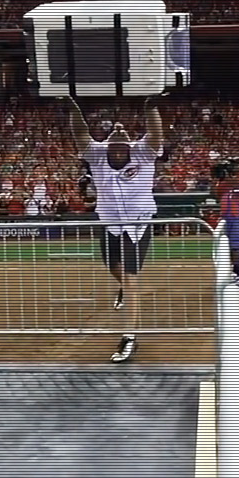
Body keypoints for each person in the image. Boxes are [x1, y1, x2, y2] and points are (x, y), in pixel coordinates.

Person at [67, 96, 163, 362]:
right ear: (107, 145)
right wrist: (74, 107)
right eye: (113, 133)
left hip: (138, 221)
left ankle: (129, 337)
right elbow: (80, 132)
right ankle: (124, 287)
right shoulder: (97, 155)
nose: (118, 131)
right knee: (112, 266)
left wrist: (151, 107)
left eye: (123, 133)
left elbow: (156, 132)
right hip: (110, 221)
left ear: (129, 144)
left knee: (131, 278)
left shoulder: (143, 152)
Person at [212, 157, 239, 278]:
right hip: (226, 216)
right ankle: (235, 270)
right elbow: (216, 195)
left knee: (237, 246)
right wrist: (217, 179)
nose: (233, 167)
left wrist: (227, 178)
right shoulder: (224, 181)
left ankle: (237, 273)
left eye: (235, 165)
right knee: (228, 246)